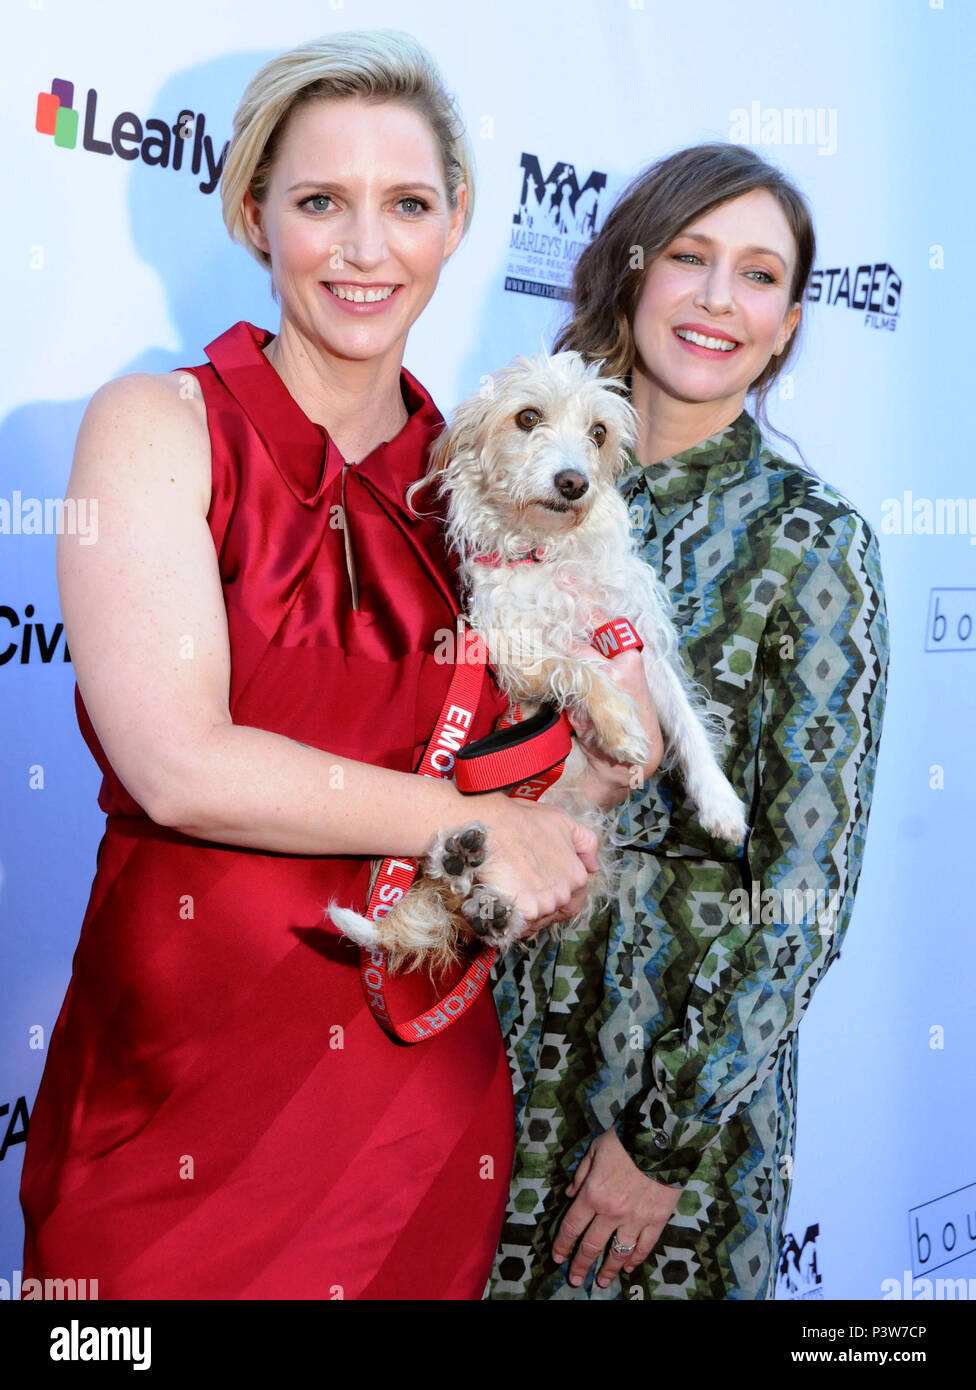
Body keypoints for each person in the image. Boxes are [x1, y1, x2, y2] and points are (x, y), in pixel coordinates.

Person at [18, 30, 625, 1301]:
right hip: (170, 1093)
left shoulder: (490, 481)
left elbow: (564, 765)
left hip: (415, 1100)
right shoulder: (159, 428)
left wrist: (609, 752)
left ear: (455, 220)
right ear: (252, 214)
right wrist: (470, 824)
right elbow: (178, 764)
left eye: (405, 204)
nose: (364, 249)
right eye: (318, 203)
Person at [487, 143, 890, 1301]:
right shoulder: (513, 492)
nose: (718, 298)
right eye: (690, 258)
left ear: (787, 325)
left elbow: (805, 891)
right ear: (629, 273)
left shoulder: (812, 539)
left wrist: (662, 1139)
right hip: (479, 1057)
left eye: (758, 276)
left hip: (665, 1103)